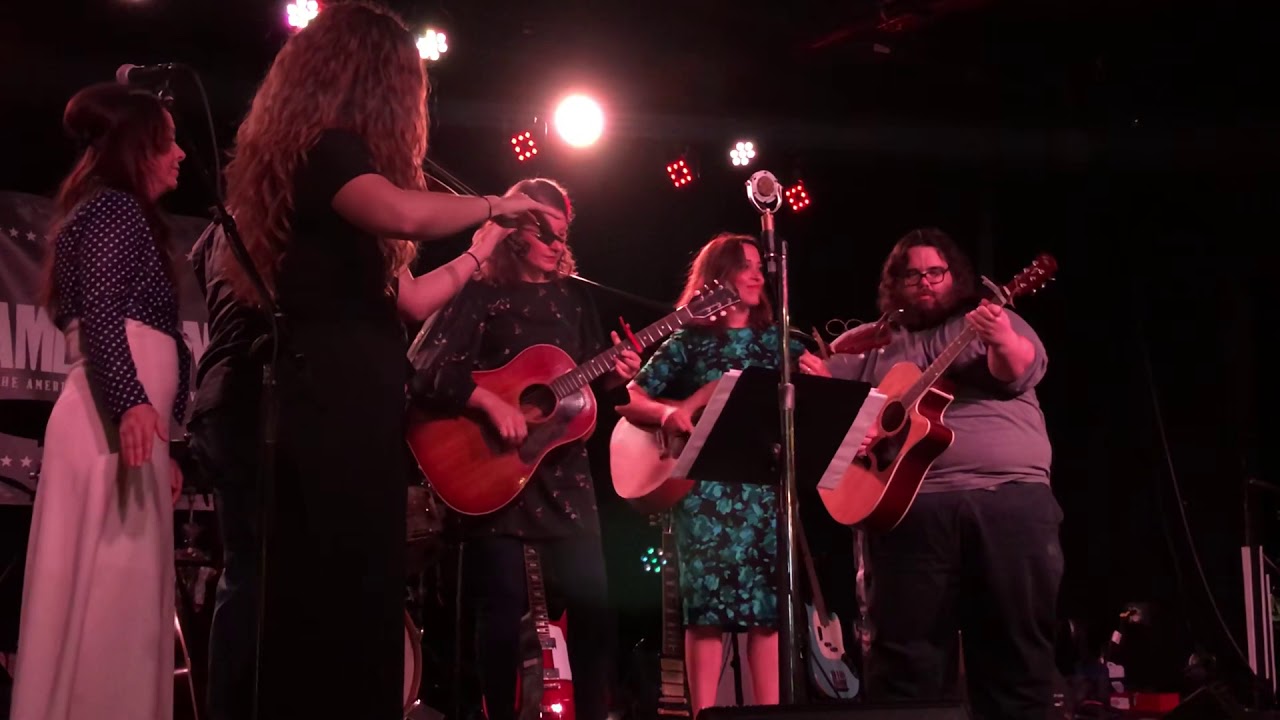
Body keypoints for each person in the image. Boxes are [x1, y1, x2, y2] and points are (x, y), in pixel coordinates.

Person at [184, 3, 566, 719]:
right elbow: (407, 214)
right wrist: (492, 206)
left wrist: (478, 256)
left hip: (348, 411)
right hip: (315, 411)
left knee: (345, 593)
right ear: (379, 83)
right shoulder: (327, 152)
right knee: (312, 597)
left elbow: (411, 301)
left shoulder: (331, 174)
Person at [799, 227, 1062, 720]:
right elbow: (825, 392)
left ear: (955, 276)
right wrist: (844, 397)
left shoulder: (990, 319)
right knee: (905, 665)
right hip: (905, 511)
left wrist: (1001, 336)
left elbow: (1017, 369)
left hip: (1005, 499)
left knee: (1015, 655)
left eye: (935, 272)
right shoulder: (877, 348)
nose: (925, 282)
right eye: (912, 273)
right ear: (894, 284)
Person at [412, 177, 641, 720]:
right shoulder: (479, 293)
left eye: (564, 234)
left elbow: (580, 383)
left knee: (595, 606)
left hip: (564, 473)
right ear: (515, 232)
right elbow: (424, 369)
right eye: (547, 233)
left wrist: (616, 377)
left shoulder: (574, 299)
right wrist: (491, 404)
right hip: (492, 468)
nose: (558, 244)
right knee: (501, 609)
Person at [11, 82, 188, 720]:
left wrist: (156, 422)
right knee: (109, 594)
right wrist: (135, 403)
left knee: (119, 597)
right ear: (138, 147)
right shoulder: (113, 211)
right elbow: (106, 319)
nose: (182, 155)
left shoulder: (111, 212)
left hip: (124, 424)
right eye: (168, 142)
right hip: (111, 423)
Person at [616, 232, 817, 715]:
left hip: (763, 489)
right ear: (717, 277)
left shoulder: (781, 341)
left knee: (767, 618)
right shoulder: (688, 343)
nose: (756, 274)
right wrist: (668, 416)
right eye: (743, 266)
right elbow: (631, 397)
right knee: (704, 615)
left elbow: (815, 397)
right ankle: (701, 714)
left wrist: (820, 377)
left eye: (758, 266)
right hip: (702, 491)